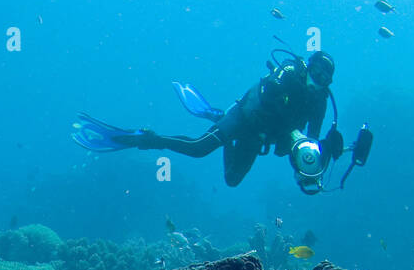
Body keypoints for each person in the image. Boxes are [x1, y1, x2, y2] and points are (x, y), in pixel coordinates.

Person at [74, 50, 338, 188]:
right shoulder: (289, 74)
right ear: (307, 67)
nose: (318, 81)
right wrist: (283, 113)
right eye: (315, 72)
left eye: (324, 78)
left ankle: (216, 118)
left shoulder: (320, 102)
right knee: (198, 148)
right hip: (244, 119)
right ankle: (145, 138)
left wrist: (326, 151)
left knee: (232, 180)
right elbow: (268, 94)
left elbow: (309, 145)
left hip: (260, 137)